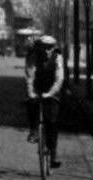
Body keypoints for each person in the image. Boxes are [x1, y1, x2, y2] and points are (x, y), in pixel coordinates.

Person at [25, 34, 65, 169]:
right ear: (39, 48)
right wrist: (31, 93)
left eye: (50, 47)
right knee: (31, 103)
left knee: (52, 121)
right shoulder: (33, 56)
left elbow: (59, 79)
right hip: (38, 87)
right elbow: (30, 76)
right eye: (44, 47)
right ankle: (33, 131)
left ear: (53, 48)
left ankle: (53, 156)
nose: (47, 50)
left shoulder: (58, 58)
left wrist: (50, 93)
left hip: (53, 89)